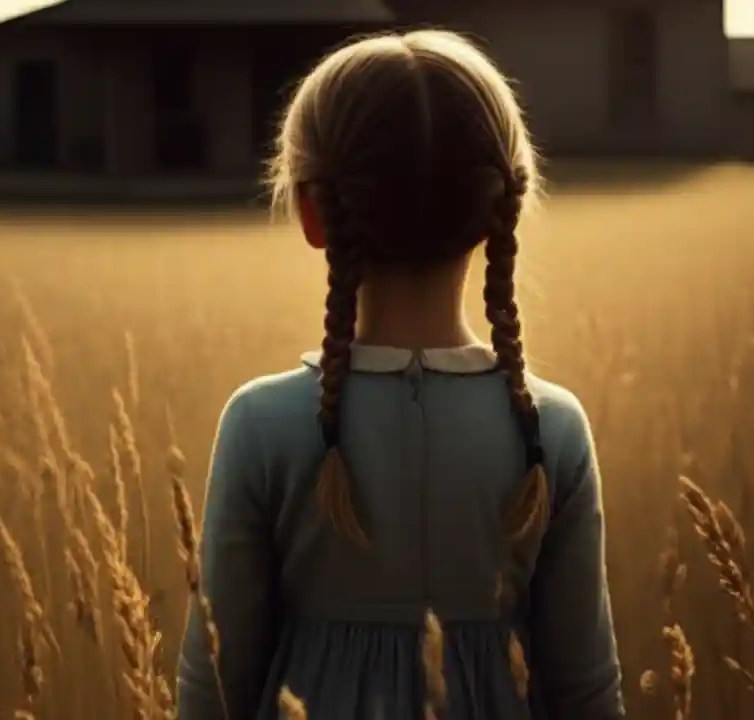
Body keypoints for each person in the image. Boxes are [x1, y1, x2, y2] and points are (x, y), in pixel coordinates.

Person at [176, 29, 624, 720]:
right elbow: (589, 694)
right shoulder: (550, 431)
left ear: (312, 212)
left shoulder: (261, 426)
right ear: (497, 211)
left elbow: (214, 691)